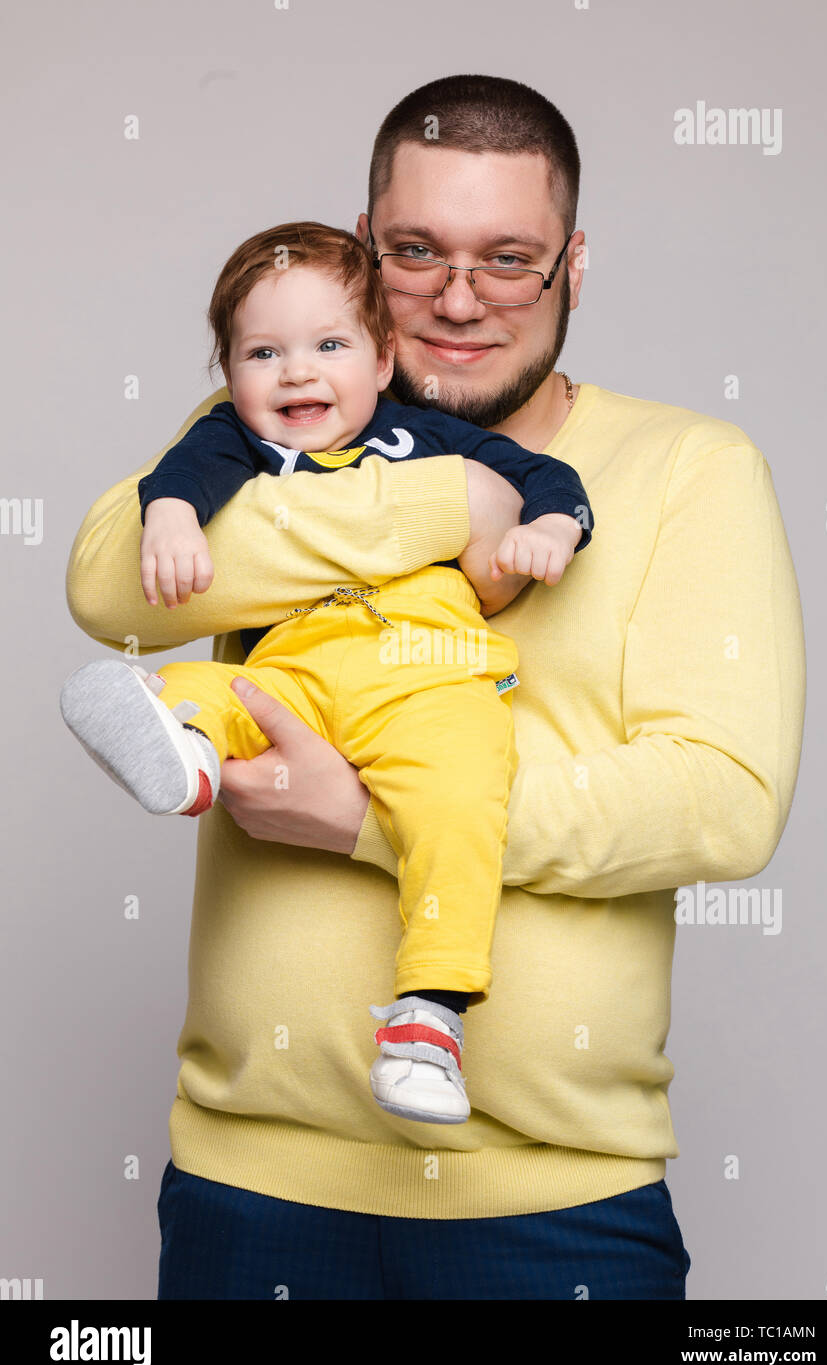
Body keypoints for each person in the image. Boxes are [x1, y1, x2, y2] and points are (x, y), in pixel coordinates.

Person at [64, 73, 806, 1300]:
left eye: (508, 259)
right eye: (416, 251)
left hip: (552, 1202)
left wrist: (365, 823)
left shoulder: (689, 467)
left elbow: (718, 798)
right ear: (362, 249)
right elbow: (109, 585)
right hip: (252, 1184)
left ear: (573, 263)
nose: (459, 301)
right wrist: (440, 502)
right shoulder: (279, 416)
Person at [59, 219, 593, 1126]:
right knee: (220, 696)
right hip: (298, 664)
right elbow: (172, 484)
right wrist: (174, 520)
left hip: (428, 681)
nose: (296, 373)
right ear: (229, 373)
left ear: (384, 360)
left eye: (329, 346)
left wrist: (551, 528)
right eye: (262, 352)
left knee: (462, 800)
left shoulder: (425, 436)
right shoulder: (234, 442)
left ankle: (429, 1016)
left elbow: (551, 479)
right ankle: (177, 747)